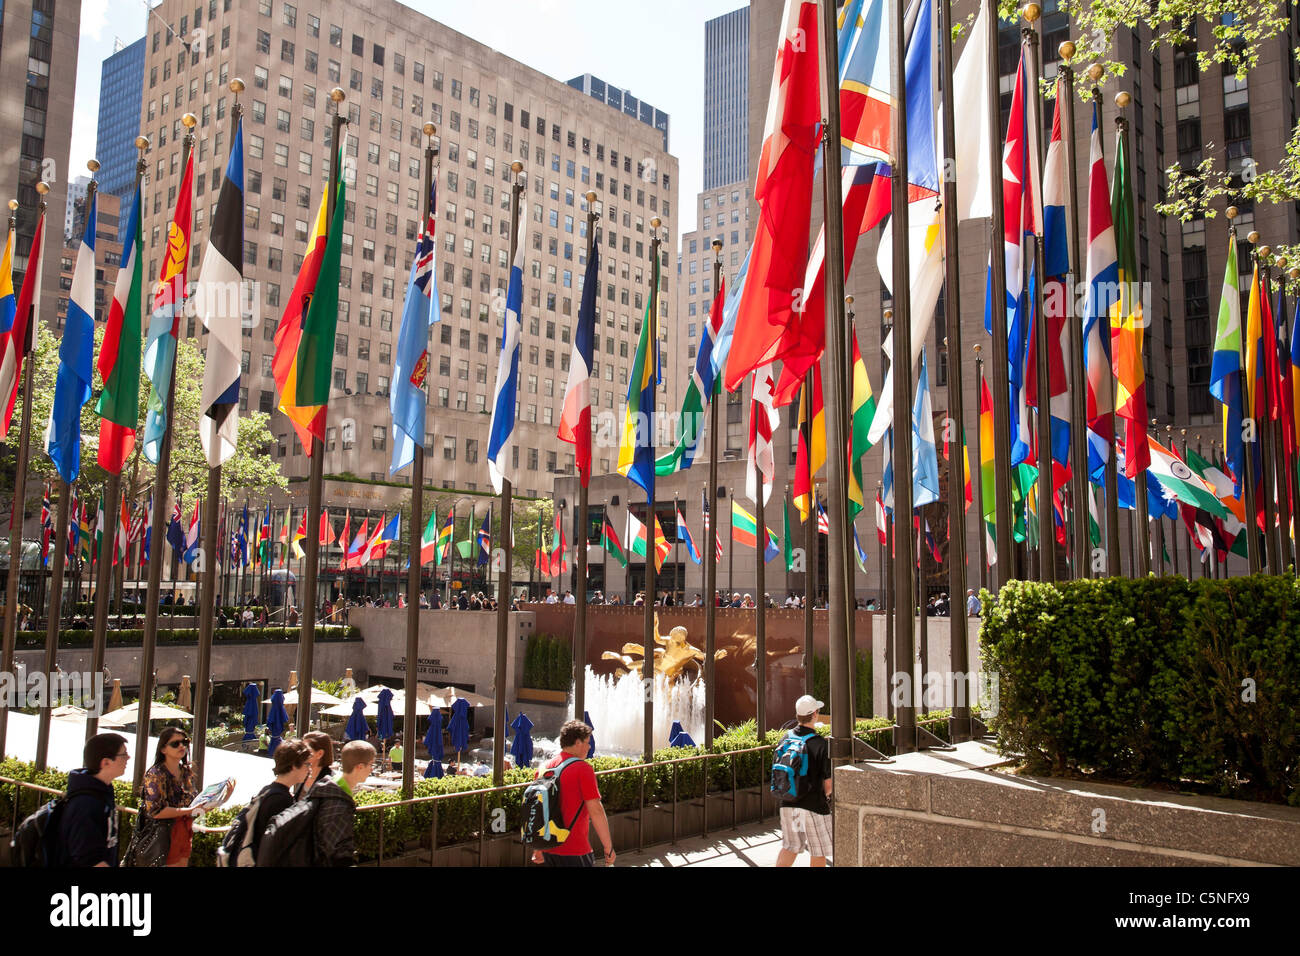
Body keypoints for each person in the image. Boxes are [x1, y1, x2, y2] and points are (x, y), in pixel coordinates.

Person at [530, 720, 615, 868]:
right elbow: (596, 810)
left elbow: (538, 810)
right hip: (575, 849)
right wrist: (608, 848)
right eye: (587, 742)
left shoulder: (544, 768)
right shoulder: (583, 769)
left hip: (548, 848)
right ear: (577, 743)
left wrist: (538, 848)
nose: (589, 747)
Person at [775, 696, 833, 868]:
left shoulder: (785, 738)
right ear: (814, 714)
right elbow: (828, 785)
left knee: (791, 847)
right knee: (818, 851)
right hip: (814, 805)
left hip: (789, 802)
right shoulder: (820, 743)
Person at [58, 733, 128, 867]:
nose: (128, 758)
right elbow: (89, 858)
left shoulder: (102, 792)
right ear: (105, 762)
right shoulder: (85, 803)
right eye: (123, 755)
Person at [309, 739, 376, 867]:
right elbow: (336, 854)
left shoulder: (331, 785)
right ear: (360, 767)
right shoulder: (338, 801)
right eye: (371, 764)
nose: (371, 769)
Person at [141, 726, 200, 867]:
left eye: (184, 742)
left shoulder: (186, 771)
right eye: (175, 744)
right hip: (163, 834)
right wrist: (189, 811)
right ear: (163, 749)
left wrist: (218, 799)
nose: (181, 746)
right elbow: (155, 811)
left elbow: (193, 804)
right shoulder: (156, 773)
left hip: (184, 831)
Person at [250, 740, 311, 860]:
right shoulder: (281, 800)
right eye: (307, 764)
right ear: (294, 766)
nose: (309, 769)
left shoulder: (268, 791)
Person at [296, 731, 335, 799]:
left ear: (320, 754)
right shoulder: (305, 774)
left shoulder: (330, 783)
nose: (302, 753)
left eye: (306, 750)